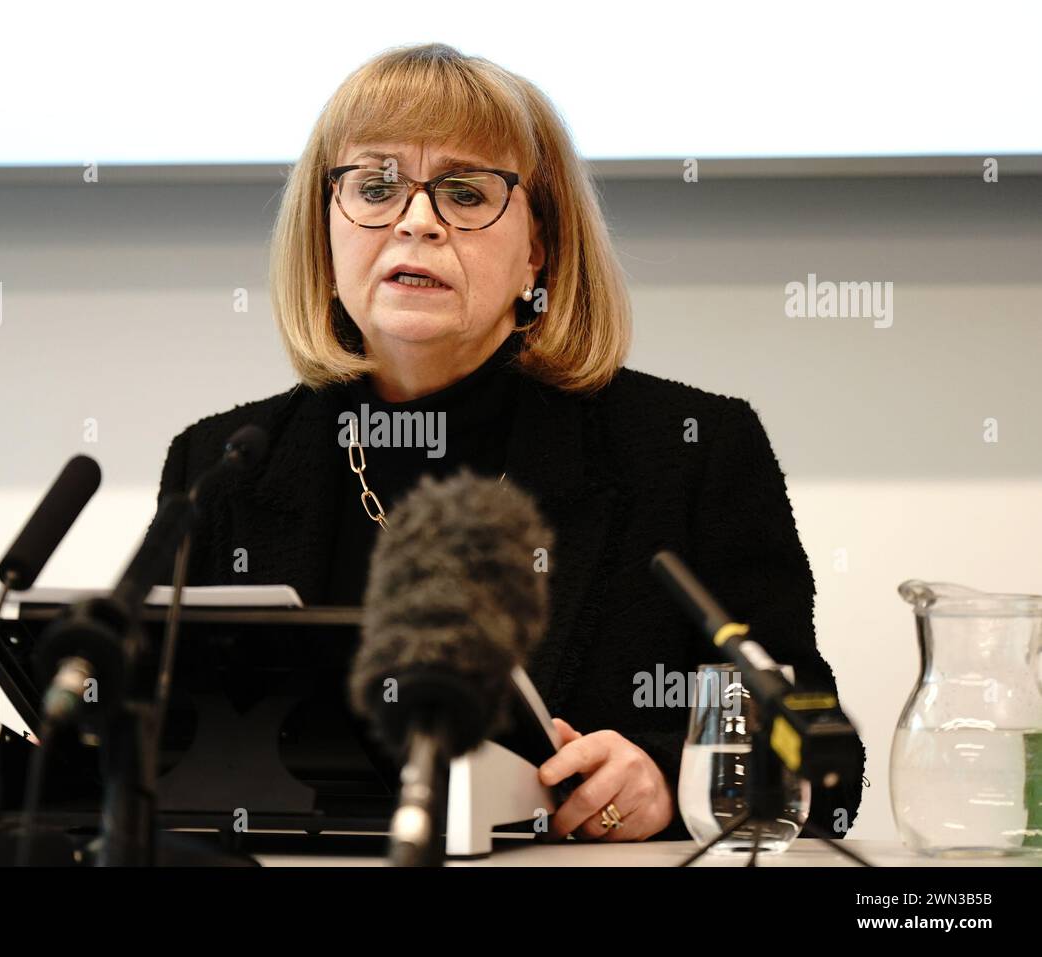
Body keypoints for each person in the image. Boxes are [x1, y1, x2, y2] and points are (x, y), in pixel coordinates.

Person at [156, 42, 865, 842]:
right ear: (324, 234)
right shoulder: (222, 466)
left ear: (539, 248)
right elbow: (145, 735)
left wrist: (667, 778)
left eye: (464, 192)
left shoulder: (688, 452)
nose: (416, 220)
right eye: (375, 186)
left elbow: (823, 761)